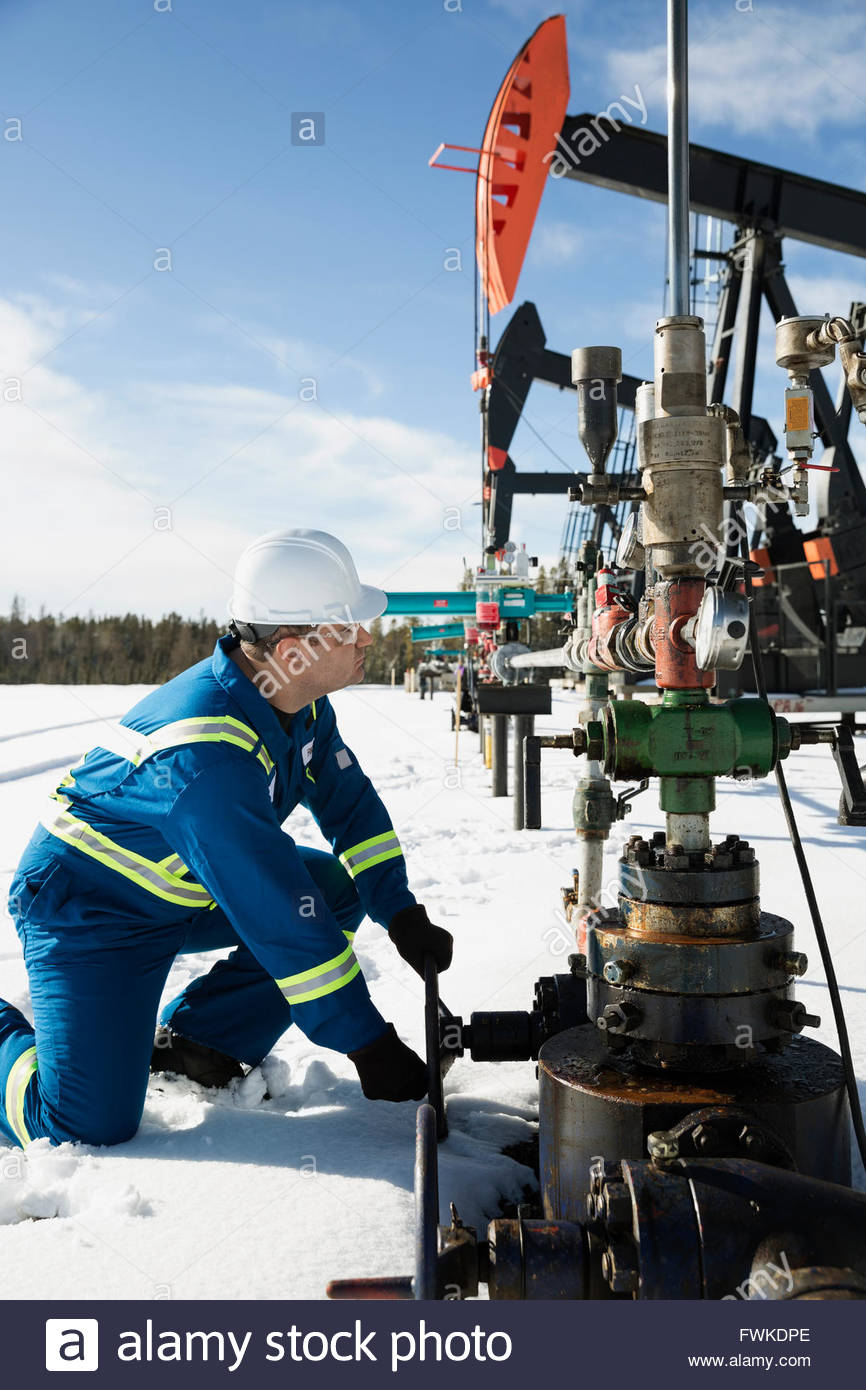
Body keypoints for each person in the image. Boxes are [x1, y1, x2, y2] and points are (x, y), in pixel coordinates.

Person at [0, 528, 452, 1150]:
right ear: (293, 648)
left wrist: (399, 910)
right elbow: (275, 913)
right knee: (84, 1125)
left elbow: (352, 810)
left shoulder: (299, 704)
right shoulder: (206, 756)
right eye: (352, 628)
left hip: (180, 891)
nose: (368, 639)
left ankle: (199, 1043)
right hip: (89, 912)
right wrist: (365, 1041)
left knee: (331, 894)